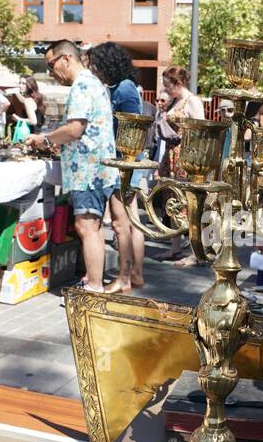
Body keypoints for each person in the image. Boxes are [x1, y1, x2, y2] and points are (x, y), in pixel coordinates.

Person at [25, 40, 119, 292]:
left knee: (85, 226)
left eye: (51, 64)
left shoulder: (82, 85)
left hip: (88, 170)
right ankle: (93, 279)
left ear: (66, 58)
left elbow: (76, 129)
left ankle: (95, 286)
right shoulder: (92, 82)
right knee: (93, 226)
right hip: (96, 168)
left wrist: (44, 139)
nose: (51, 71)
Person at [87, 41, 146, 292]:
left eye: (96, 64)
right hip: (125, 162)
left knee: (123, 225)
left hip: (125, 164)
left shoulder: (124, 89)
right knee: (131, 222)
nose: (94, 69)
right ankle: (135, 274)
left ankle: (125, 278)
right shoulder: (121, 87)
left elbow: (134, 127)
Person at [156, 65, 205, 264]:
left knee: (188, 203)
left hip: (186, 156)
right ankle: (175, 247)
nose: (166, 90)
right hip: (171, 155)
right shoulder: (175, 101)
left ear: (178, 83)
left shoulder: (192, 101)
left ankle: (196, 252)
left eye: (168, 86)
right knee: (172, 201)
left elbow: (202, 129)